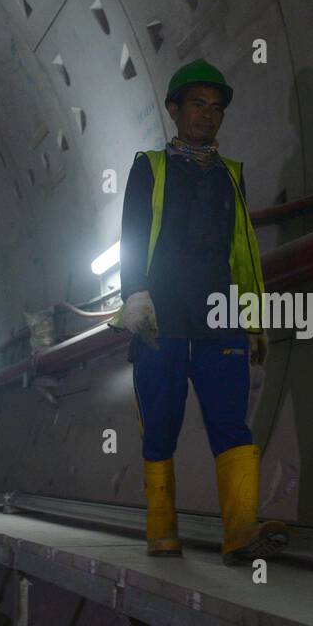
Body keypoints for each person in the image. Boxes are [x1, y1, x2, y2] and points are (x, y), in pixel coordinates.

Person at [109, 59, 289, 566]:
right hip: (160, 319)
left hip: (219, 317)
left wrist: (252, 318)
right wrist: (135, 294)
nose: (208, 116)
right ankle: (162, 530)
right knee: (161, 423)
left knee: (232, 422)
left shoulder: (232, 176)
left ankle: (241, 532)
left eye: (216, 108)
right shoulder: (150, 165)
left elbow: (244, 251)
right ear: (174, 110)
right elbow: (133, 235)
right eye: (197, 105)